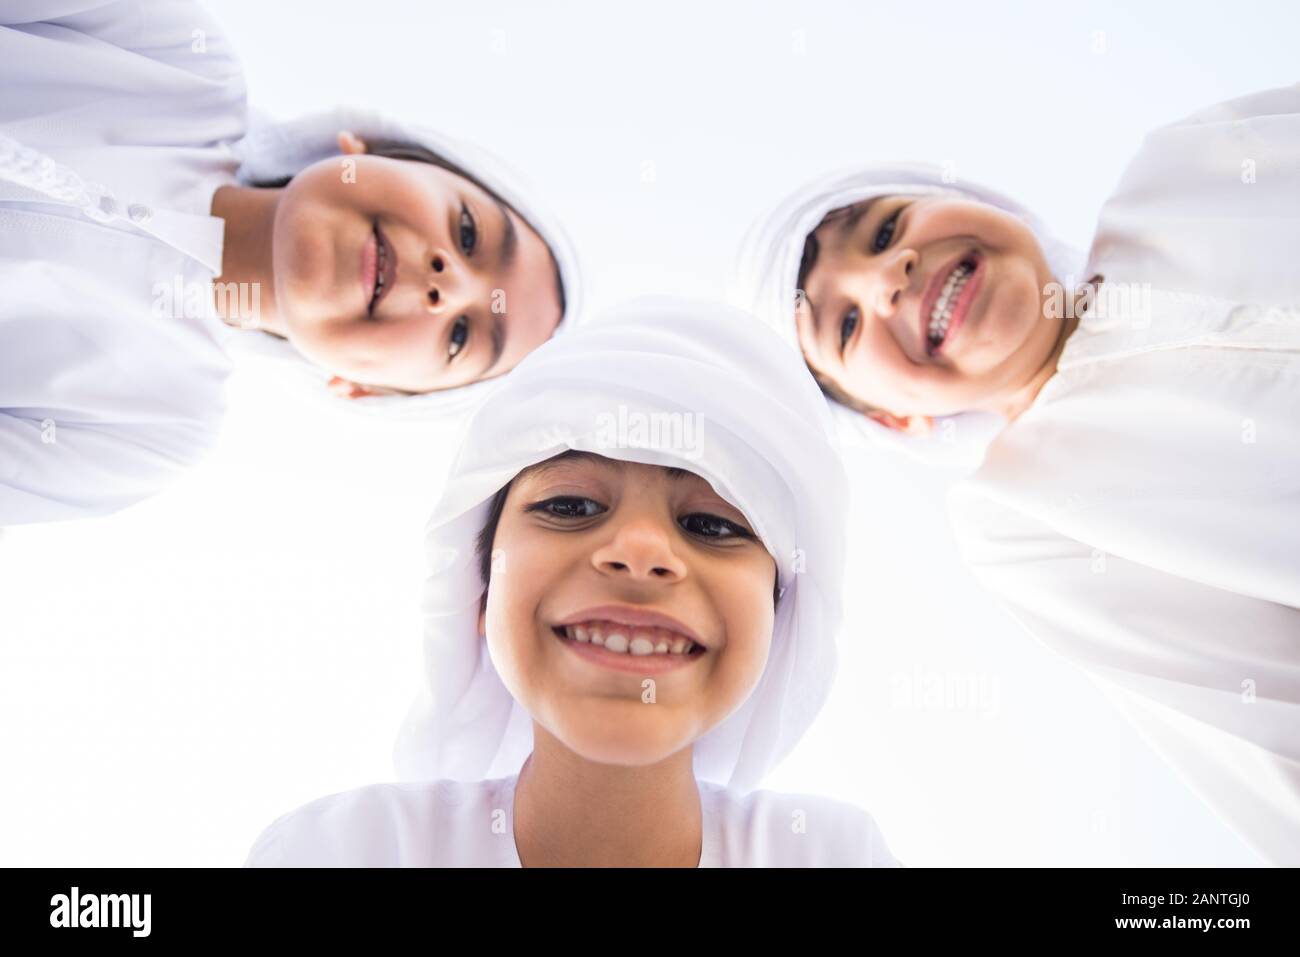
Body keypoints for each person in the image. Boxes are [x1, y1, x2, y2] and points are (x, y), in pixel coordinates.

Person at [733, 84, 1300, 864]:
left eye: (886, 227)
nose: (889, 274)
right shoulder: (1027, 522)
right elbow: (1267, 729)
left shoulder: (1184, 167)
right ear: (892, 419)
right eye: (847, 323)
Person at [243, 297, 902, 867]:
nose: (640, 551)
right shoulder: (339, 851)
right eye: (569, 506)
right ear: (478, 586)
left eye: (711, 523)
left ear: (778, 616)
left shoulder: (835, 853)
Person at [0, 0, 580, 525]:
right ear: (370, 149)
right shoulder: (174, 56)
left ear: (361, 388)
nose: (447, 284)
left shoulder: (145, 435)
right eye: (468, 231)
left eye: (459, 336)